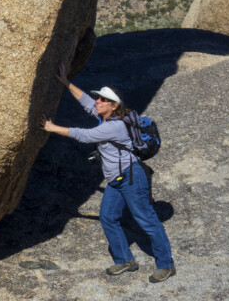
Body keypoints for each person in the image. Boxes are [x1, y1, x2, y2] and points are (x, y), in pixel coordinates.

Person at [40, 64, 176, 283]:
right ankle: (125, 259)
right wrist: (66, 83)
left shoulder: (115, 126)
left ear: (114, 106)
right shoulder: (105, 116)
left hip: (132, 178)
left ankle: (166, 264)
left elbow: (85, 136)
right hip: (116, 180)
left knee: (146, 219)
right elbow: (86, 101)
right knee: (108, 217)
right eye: (98, 98)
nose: (98, 101)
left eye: (103, 100)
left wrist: (52, 128)